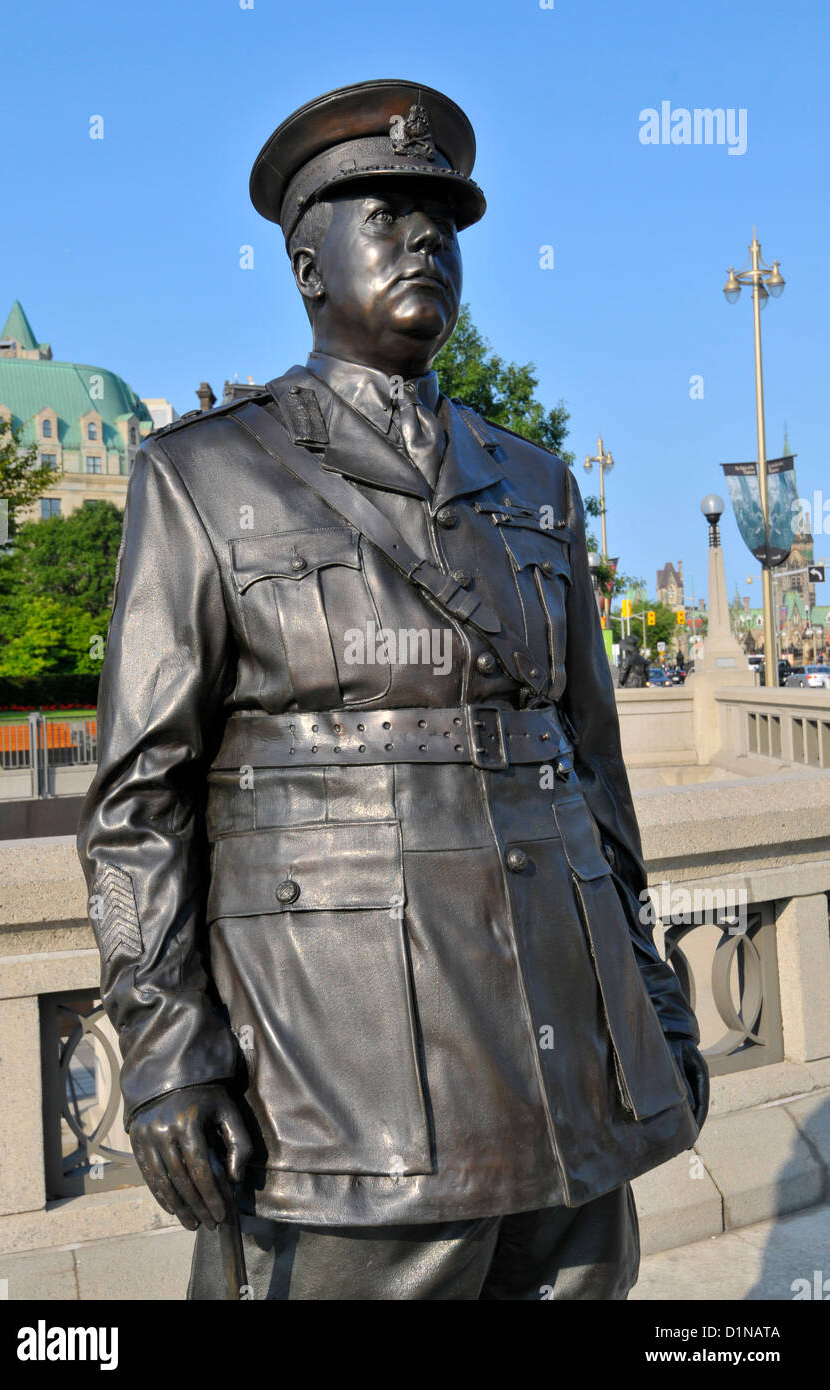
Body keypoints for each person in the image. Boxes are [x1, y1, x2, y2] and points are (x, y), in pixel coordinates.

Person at [78, 79, 708, 1301]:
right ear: (308, 266)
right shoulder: (206, 474)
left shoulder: (533, 484)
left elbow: (591, 771)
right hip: (342, 1074)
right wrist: (165, 1053)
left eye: (445, 224)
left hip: (569, 1060)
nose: (426, 242)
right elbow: (135, 807)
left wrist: (652, 997)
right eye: (387, 216)